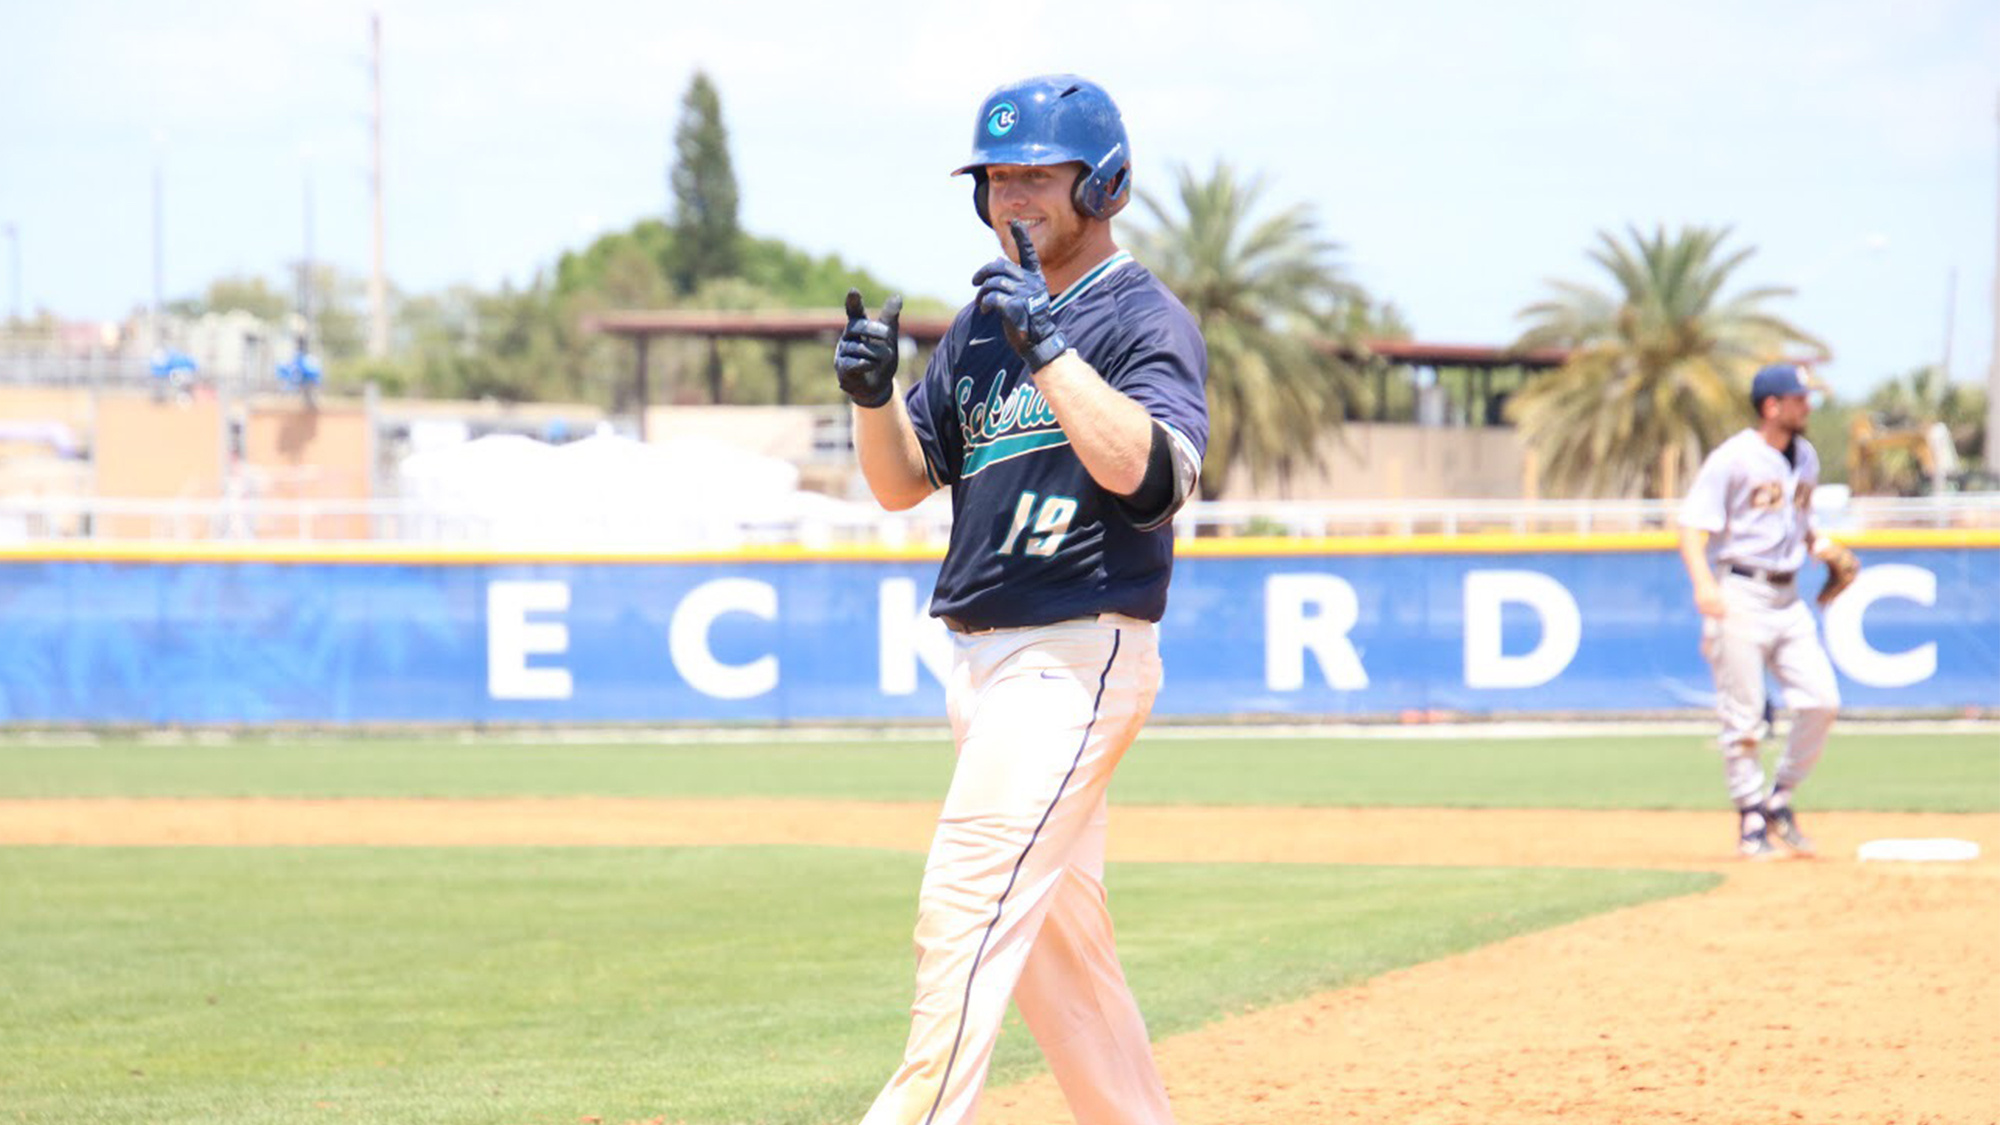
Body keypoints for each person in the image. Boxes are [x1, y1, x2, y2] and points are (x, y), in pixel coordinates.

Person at [833, 74, 1207, 1125]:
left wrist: (1048, 348)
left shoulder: (1142, 318)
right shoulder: (983, 323)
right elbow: (903, 479)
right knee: (1055, 947)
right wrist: (871, 400)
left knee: (964, 906)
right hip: (984, 664)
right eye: (996, 178)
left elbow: (1157, 478)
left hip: (1074, 652)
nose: (1012, 198)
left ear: (1105, 185)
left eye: (1038, 176)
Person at [1677, 363, 1843, 858]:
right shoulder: (1733, 458)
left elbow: (1800, 521)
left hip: (1788, 595)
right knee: (1744, 717)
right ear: (1772, 406)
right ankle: (1749, 814)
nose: (1807, 405)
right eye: (1799, 398)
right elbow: (1691, 526)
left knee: (1821, 701)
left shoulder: (1806, 457)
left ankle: (1779, 797)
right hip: (1741, 591)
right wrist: (1704, 583)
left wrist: (1823, 546)